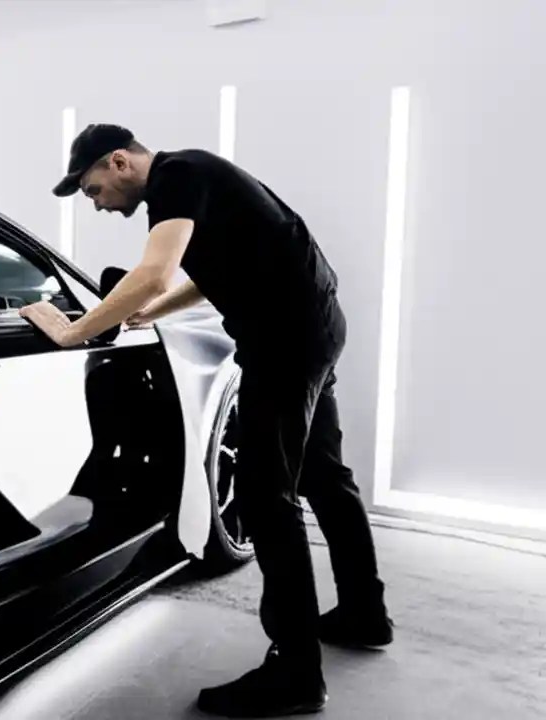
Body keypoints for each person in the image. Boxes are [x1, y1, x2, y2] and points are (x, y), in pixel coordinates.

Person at [20, 123, 392, 717]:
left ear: (119, 163)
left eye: (92, 190)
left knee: (267, 499)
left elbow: (153, 272)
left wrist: (75, 331)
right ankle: (364, 613)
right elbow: (204, 277)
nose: (97, 205)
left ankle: (296, 673)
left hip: (284, 344)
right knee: (323, 477)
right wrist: (151, 314)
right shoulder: (197, 179)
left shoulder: (176, 177)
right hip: (314, 328)